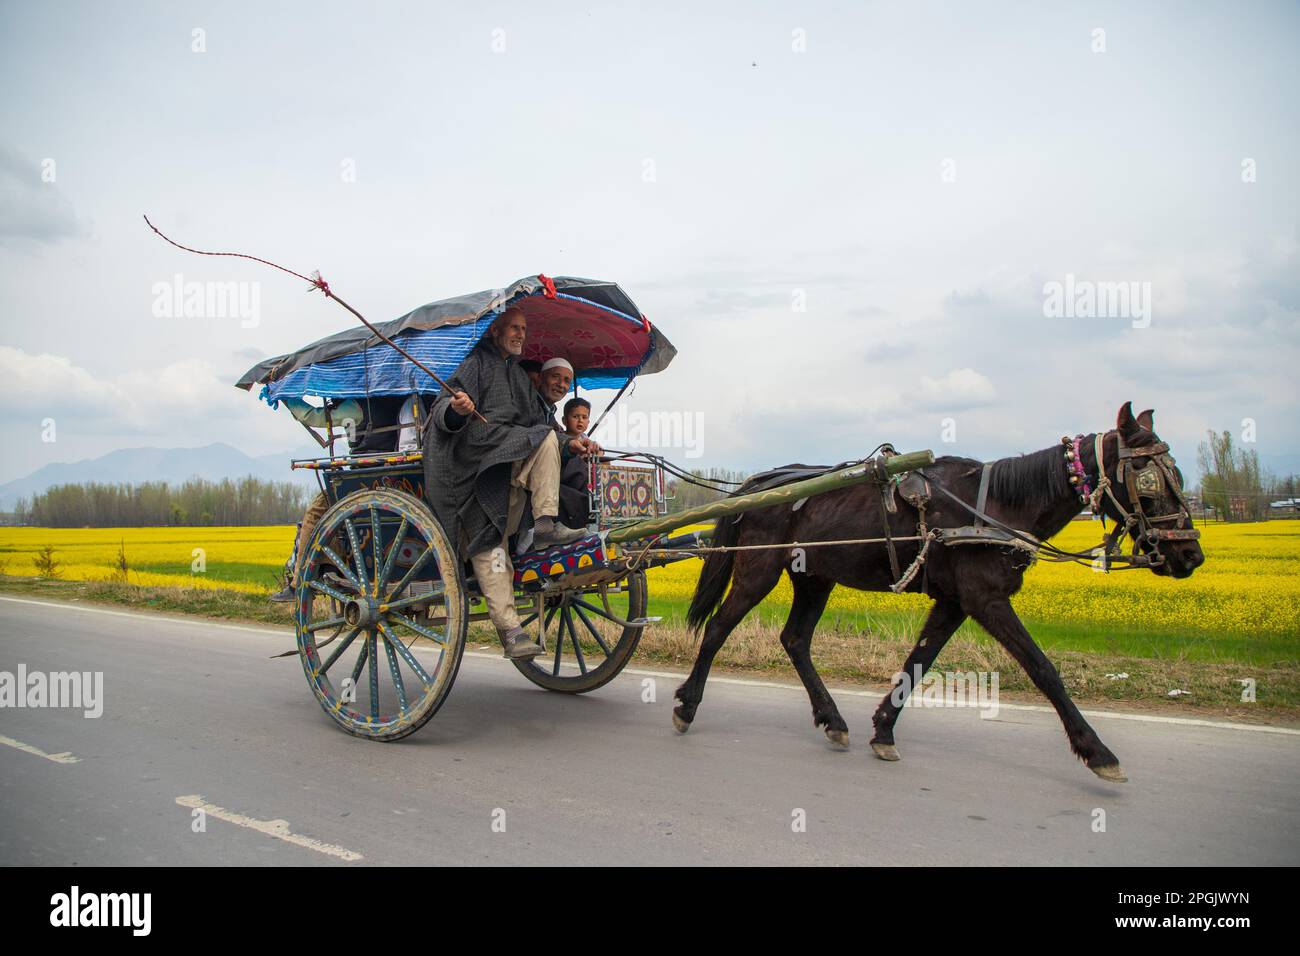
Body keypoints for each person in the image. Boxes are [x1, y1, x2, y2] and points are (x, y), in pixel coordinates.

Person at [423, 308, 586, 659]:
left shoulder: (515, 374)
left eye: (524, 330)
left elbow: (540, 428)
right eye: (514, 328)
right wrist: (458, 410)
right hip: (475, 471)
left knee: (545, 437)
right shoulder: (474, 364)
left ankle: (544, 524)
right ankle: (512, 632)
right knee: (492, 550)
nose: (520, 335)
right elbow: (439, 412)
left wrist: (570, 444)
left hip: (508, 466)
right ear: (495, 330)